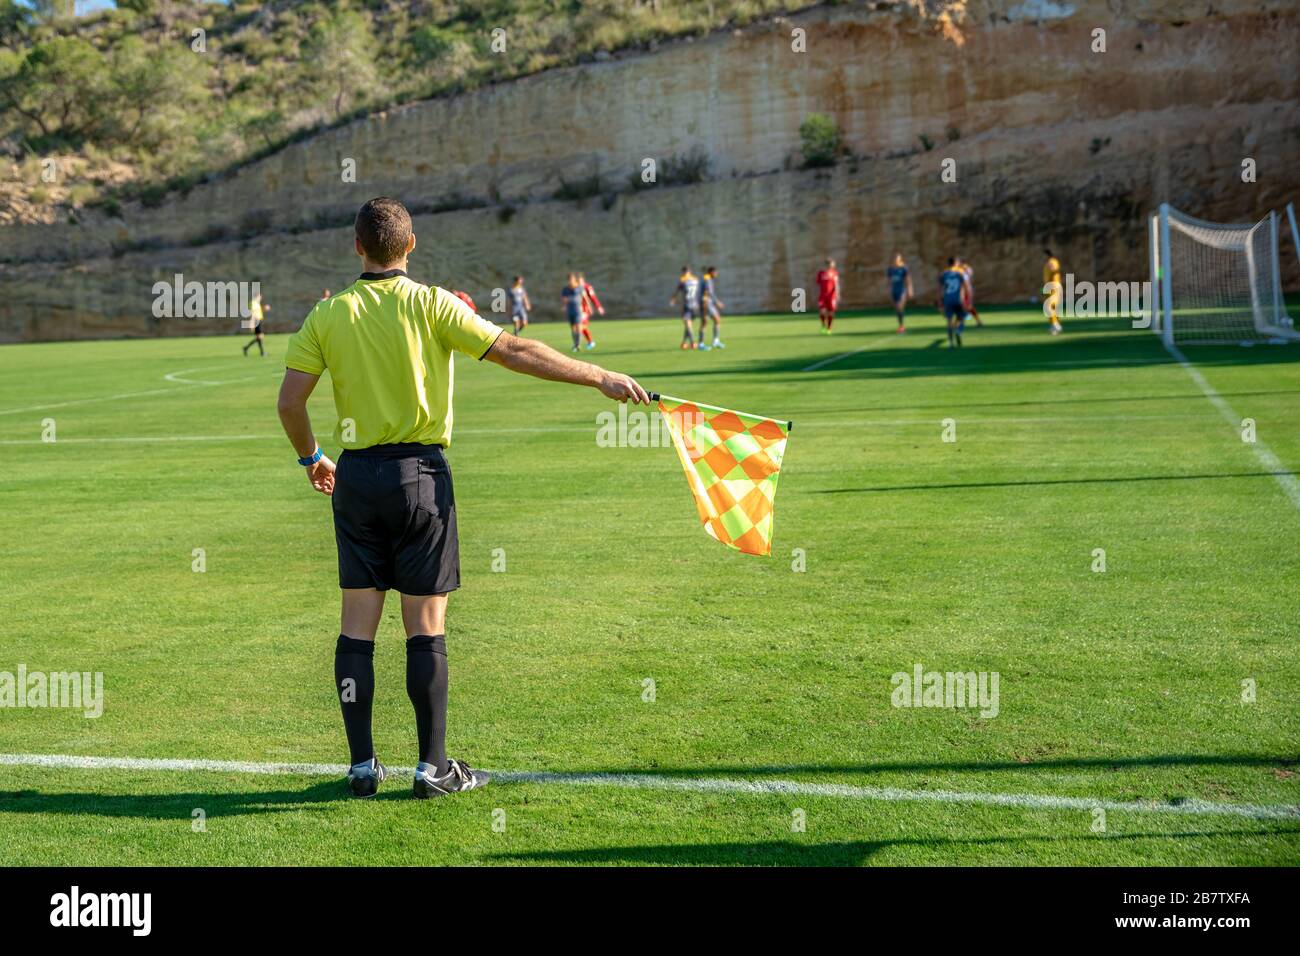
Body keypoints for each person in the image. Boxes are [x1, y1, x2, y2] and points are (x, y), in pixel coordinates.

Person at [276, 198, 649, 799]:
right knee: (424, 626)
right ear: (411, 244)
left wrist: (311, 458)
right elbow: (515, 351)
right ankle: (432, 768)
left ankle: (363, 767)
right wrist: (597, 375)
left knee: (356, 629)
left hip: (356, 479)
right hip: (420, 475)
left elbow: (290, 404)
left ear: (356, 247)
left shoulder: (328, 314)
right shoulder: (431, 303)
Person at [937, 257, 971, 349]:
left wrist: (940, 303)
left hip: (947, 300)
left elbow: (939, 290)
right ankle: (959, 331)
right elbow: (967, 287)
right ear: (956, 263)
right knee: (962, 317)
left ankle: (951, 343)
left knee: (949, 321)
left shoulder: (943, 274)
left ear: (948, 264)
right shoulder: (960, 273)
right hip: (958, 299)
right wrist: (969, 301)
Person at [670, 265, 701, 350]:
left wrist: (673, 299)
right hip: (695, 305)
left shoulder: (683, 280)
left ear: (683, 272)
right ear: (690, 271)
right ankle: (684, 343)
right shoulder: (696, 279)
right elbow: (699, 292)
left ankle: (693, 343)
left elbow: (677, 291)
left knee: (688, 324)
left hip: (687, 305)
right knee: (688, 324)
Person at [697, 266, 725, 350]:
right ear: (711, 272)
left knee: (717, 319)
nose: (716, 274)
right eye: (715, 272)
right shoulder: (707, 279)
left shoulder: (707, 278)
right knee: (704, 323)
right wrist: (717, 302)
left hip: (708, 303)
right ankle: (701, 344)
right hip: (706, 303)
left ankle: (715, 341)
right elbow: (709, 292)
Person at [561, 273, 588, 351]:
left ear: (574, 279)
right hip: (570, 310)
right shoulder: (565, 289)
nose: (570, 281)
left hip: (578, 310)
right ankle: (575, 344)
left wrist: (588, 307)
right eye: (569, 280)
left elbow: (584, 297)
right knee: (573, 328)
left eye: (572, 279)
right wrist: (564, 305)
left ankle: (578, 344)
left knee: (579, 326)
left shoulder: (579, 288)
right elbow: (564, 299)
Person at [887, 254, 912, 333]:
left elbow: (908, 280)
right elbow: (889, 281)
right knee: (897, 310)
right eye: (895, 259)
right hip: (894, 291)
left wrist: (910, 290)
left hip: (902, 291)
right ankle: (901, 325)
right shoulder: (890, 269)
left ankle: (901, 326)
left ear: (900, 259)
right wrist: (889, 290)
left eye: (897, 259)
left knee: (899, 307)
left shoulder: (903, 268)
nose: (896, 260)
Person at [577, 272, 603, 349]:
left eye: (580, 281)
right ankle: (590, 342)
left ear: (582, 280)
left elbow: (593, 298)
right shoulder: (575, 288)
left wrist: (598, 307)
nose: (579, 283)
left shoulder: (587, 287)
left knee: (580, 326)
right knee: (582, 327)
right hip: (578, 310)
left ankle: (577, 344)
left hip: (585, 310)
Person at [816, 257, 839, 333]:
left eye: (833, 264)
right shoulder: (821, 273)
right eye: (831, 263)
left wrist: (837, 294)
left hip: (831, 296)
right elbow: (818, 284)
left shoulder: (834, 273)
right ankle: (823, 325)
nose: (832, 265)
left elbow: (836, 284)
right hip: (823, 296)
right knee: (822, 311)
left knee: (831, 312)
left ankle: (829, 328)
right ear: (827, 264)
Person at [1043, 248, 1063, 335]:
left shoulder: (1052, 261)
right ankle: (1054, 325)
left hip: (1053, 287)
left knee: (1050, 307)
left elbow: (1055, 270)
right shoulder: (1049, 262)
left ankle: (1056, 325)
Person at [958, 257, 982, 327]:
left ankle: (977, 321)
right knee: (961, 305)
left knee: (969, 307)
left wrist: (966, 269)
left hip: (967, 290)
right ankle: (961, 322)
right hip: (961, 290)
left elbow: (970, 274)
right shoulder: (957, 270)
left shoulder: (965, 269)